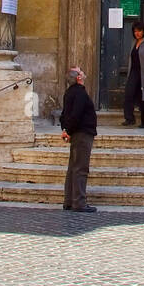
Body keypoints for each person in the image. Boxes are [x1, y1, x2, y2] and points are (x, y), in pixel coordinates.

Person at [60, 67, 97, 212]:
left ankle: (69, 201)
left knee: (72, 169)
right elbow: (76, 114)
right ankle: (79, 203)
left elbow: (64, 115)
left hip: (75, 133)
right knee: (81, 168)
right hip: (82, 133)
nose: (83, 72)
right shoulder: (80, 93)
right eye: (81, 71)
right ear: (79, 78)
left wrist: (65, 130)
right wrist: (68, 130)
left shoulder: (69, 92)